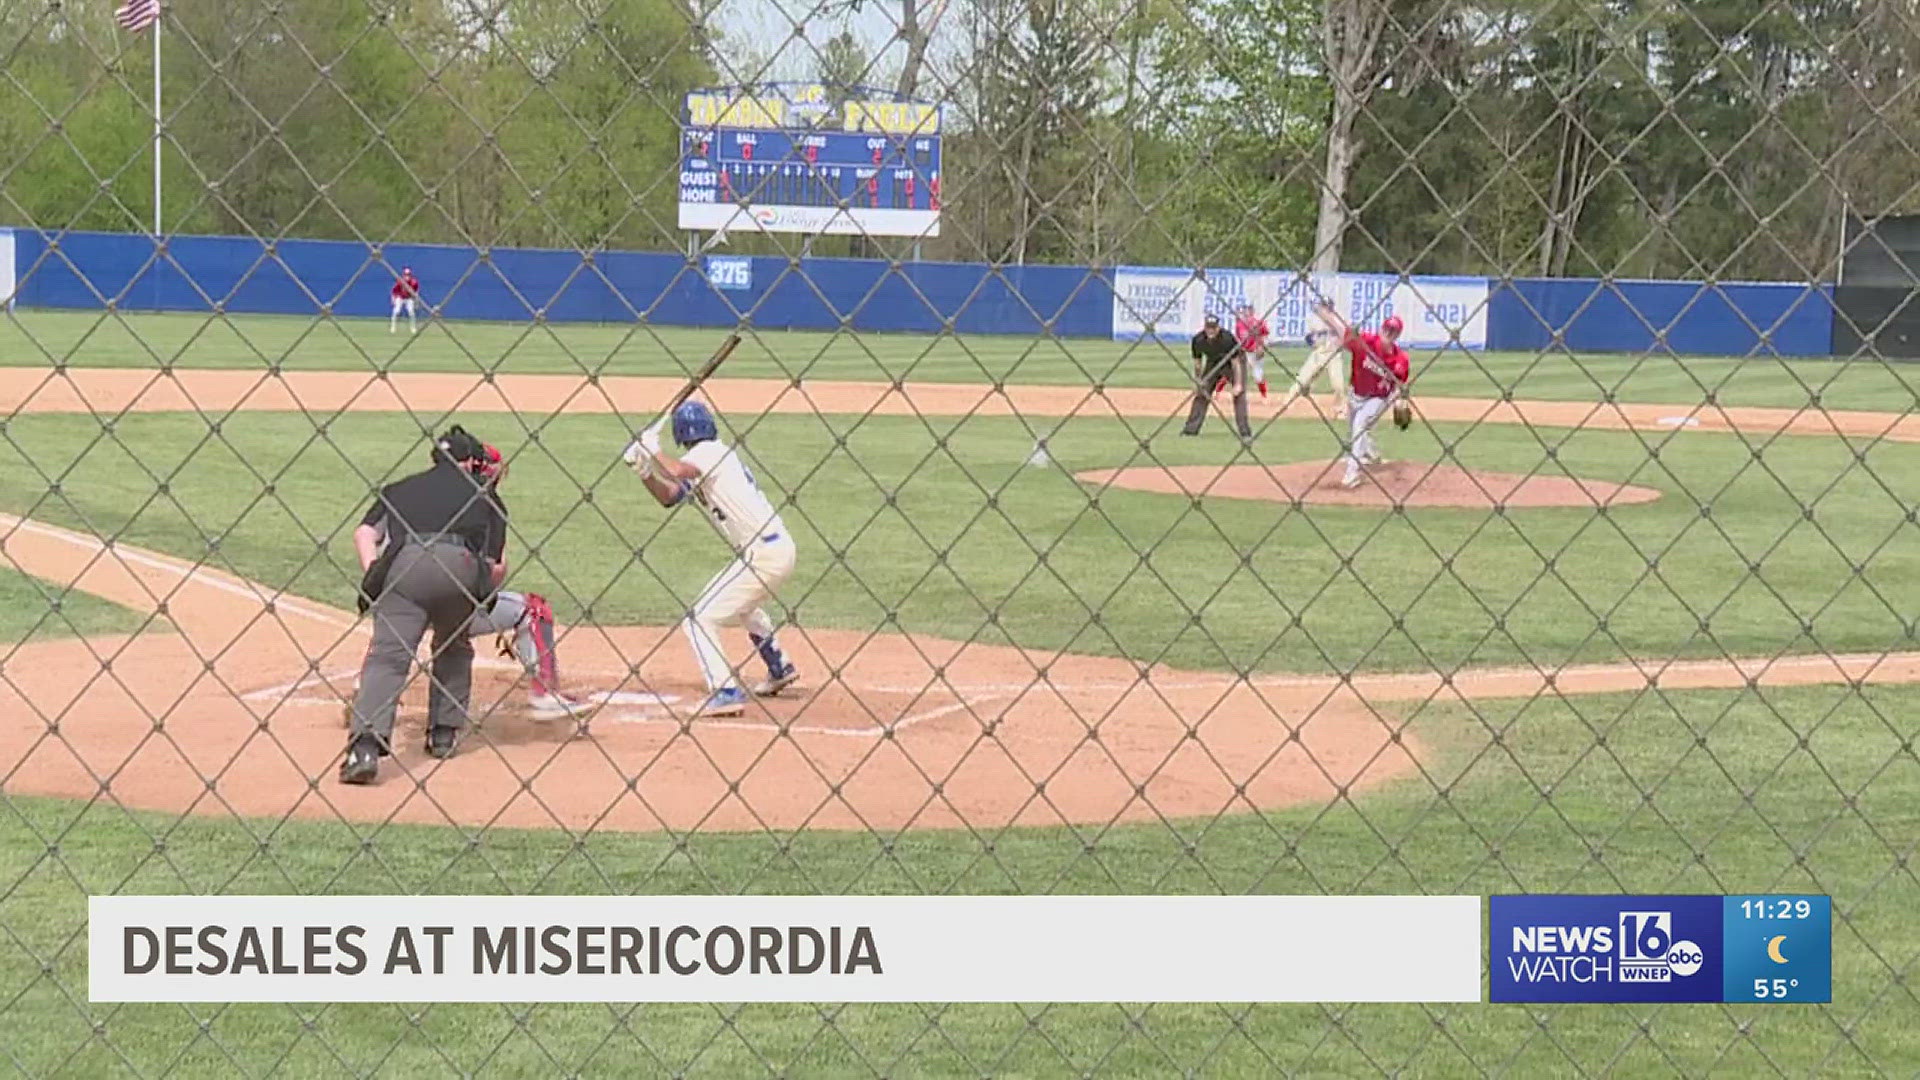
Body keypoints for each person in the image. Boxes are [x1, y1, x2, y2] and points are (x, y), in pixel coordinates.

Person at [342, 425, 505, 784]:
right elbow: (495, 567)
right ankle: (443, 734)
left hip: (404, 564)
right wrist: (473, 596)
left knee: (388, 656)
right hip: (459, 566)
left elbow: (364, 533)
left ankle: (364, 749)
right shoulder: (486, 496)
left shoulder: (400, 488)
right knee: (453, 646)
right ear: (470, 462)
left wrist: (377, 572)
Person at [622, 400, 800, 717]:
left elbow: (676, 469)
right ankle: (779, 666)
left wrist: (652, 449)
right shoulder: (709, 456)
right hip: (770, 551)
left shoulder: (709, 453)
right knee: (745, 605)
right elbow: (669, 496)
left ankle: (725, 691)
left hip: (765, 554)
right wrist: (644, 471)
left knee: (699, 619)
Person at [1313, 302, 1411, 488]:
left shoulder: (1400, 359)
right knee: (1355, 428)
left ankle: (1352, 474)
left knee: (1360, 424)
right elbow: (1342, 329)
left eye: (1393, 332)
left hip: (1379, 398)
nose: (1388, 333)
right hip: (1355, 394)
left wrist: (1399, 400)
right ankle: (1370, 455)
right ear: (1381, 328)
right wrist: (1326, 315)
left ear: (1397, 335)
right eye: (1387, 329)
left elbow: (1401, 384)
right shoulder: (1366, 342)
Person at [1180, 313, 1251, 438]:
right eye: (1208, 327)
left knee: (1239, 395)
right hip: (1213, 362)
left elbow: (1236, 363)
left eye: (1213, 328)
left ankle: (1245, 432)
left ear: (1218, 328)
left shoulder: (1227, 339)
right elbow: (1197, 363)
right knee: (1202, 393)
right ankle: (1190, 430)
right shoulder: (1198, 340)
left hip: (1232, 363)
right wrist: (1198, 381)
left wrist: (1238, 384)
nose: (1211, 330)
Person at [1277, 326, 1349, 420]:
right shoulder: (1317, 320)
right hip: (1318, 354)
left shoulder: (1338, 319)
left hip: (1334, 355)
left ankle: (1339, 410)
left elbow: (1345, 335)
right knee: (1302, 380)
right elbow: (1309, 338)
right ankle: (1286, 404)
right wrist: (1317, 336)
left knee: (1338, 385)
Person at [1234, 303, 1272, 398]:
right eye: (1245, 310)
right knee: (1234, 371)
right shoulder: (1239, 324)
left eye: (1249, 310)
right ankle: (1218, 393)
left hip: (1255, 352)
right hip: (1245, 352)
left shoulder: (1258, 322)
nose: (1247, 313)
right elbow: (1238, 339)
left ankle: (1264, 396)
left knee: (1258, 376)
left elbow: (1266, 334)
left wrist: (1262, 347)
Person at [390, 266, 421, 334]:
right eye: (405, 274)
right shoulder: (400, 281)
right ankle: (393, 327)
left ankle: (413, 328)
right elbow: (394, 291)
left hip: (409, 298)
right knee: (396, 311)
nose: (407, 276)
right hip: (400, 297)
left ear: (410, 275)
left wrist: (416, 302)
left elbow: (416, 293)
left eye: (408, 275)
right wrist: (393, 299)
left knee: (411, 312)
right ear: (403, 275)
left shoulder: (414, 282)